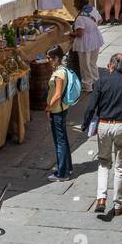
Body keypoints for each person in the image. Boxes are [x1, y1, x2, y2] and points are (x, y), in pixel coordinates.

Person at [80, 53, 122, 216]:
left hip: (104, 125)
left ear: (110, 65)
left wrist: (86, 124)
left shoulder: (100, 82)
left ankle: (101, 198)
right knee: (120, 166)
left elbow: (91, 107)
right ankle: (118, 204)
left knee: (104, 162)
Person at [45, 46, 76, 183]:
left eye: (49, 58)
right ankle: (67, 167)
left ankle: (62, 173)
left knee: (59, 142)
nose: (48, 61)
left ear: (56, 58)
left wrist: (48, 108)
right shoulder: (63, 70)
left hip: (57, 110)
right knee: (63, 139)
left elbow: (57, 94)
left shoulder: (59, 74)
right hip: (62, 108)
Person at [72, 0, 104, 94]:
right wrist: (92, 27)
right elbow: (100, 20)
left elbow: (80, 33)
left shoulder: (80, 17)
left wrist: (70, 34)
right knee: (92, 63)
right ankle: (96, 81)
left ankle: (87, 86)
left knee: (85, 65)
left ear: (78, 6)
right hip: (96, 39)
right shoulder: (93, 10)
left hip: (85, 43)